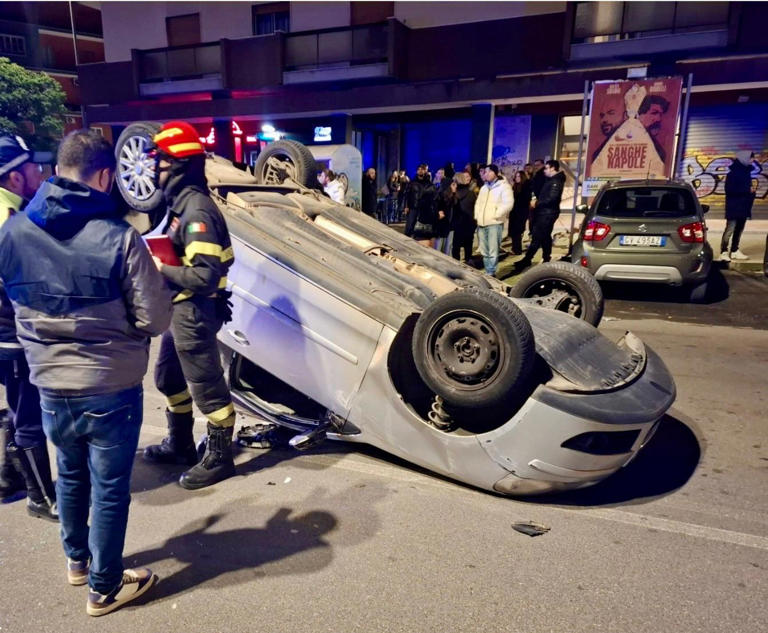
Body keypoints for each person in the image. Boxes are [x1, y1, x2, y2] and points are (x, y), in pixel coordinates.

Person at [0, 129, 171, 615]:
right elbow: (155, 318)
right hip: (110, 384)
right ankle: (105, 586)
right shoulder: (120, 237)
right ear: (104, 177)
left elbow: (10, 303)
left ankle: (78, 562)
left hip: (49, 383)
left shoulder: (12, 232)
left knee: (71, 475)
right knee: (110, 488)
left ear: (57, 172)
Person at [140, 121, 237, 491]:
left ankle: (219, 458)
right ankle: (180, 444)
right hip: (179, 310)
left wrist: (160, 268)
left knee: (207, 388)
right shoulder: (181, 204)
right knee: (168, 378)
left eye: (161, 162)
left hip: (194, 312)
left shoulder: (196, 211)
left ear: (180, 164)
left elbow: (205, 277)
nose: (156, 169)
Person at [0, 132, 57, 518]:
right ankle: (41, 497)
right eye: (34, 168)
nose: (41, 173)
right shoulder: (9, 219)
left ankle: (12, 476)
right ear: (15, 176)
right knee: (29, 415)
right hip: (11, 334)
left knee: (17, 406)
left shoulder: (11, 209)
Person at [516, 159, 565, 271]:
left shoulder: (556, 181)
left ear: (552, 168)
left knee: (537, 236)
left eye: (546, 168)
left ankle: (527, 259)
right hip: (545, 212)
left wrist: (537, 203)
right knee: (545, 236)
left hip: (547, 213)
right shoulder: (551, 180)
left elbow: (552, 198)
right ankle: (546, 257)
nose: (544, 170)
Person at [474, 164, 513, 276]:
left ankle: (491, 272)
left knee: (493, 250)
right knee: (484, 250)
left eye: (487, 172)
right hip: (482, 223)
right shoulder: (484, 187)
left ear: (494, 173)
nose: (485, 174)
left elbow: (508, 204)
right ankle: (488, 270)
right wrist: (477, 216)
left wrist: (496, 214)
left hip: (494, 223)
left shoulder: (504, 187)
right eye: (485, 172)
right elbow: (478, 203)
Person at [720, 151, 756, 262]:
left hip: (744, 207)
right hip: (733, 207)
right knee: (730, 229)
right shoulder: (732, 174)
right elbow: (729, 190)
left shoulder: (747, 173)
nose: (752, 160)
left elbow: (748, 190)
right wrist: (747, 190)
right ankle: (723, 252)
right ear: (744, 159)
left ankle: (734, 250)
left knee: (739, 230)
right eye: (751, 158)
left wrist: (752, 193)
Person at [449, 171, 478, 263]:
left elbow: (452, 206)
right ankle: (468, 262)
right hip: (469, 222)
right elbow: (475, 208)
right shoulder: (471, 193)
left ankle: (456, 264)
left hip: (458, 223)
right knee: (468, 245)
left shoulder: (454, 193)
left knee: (456, 247)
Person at [591, 93, 627, 162]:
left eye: (611, 113)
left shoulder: (640, 142)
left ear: (626, 116)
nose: (604, 120)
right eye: (602, 116)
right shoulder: (598, 154)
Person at [637, 95, 670, 162]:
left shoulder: (650, 138)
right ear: (639, 113)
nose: (658, 119)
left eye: (660, 115)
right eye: (654, 113)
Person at [509, 170, 532, 255]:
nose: (517, 178)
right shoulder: (515, 186)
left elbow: (525, 200)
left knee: (517, 231)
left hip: (521, 212)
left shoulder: (526, 186)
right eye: (516, 176)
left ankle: (517, 250)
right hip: (514, 212)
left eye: (519, 176)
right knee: (514, 231)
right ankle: (515, 248)